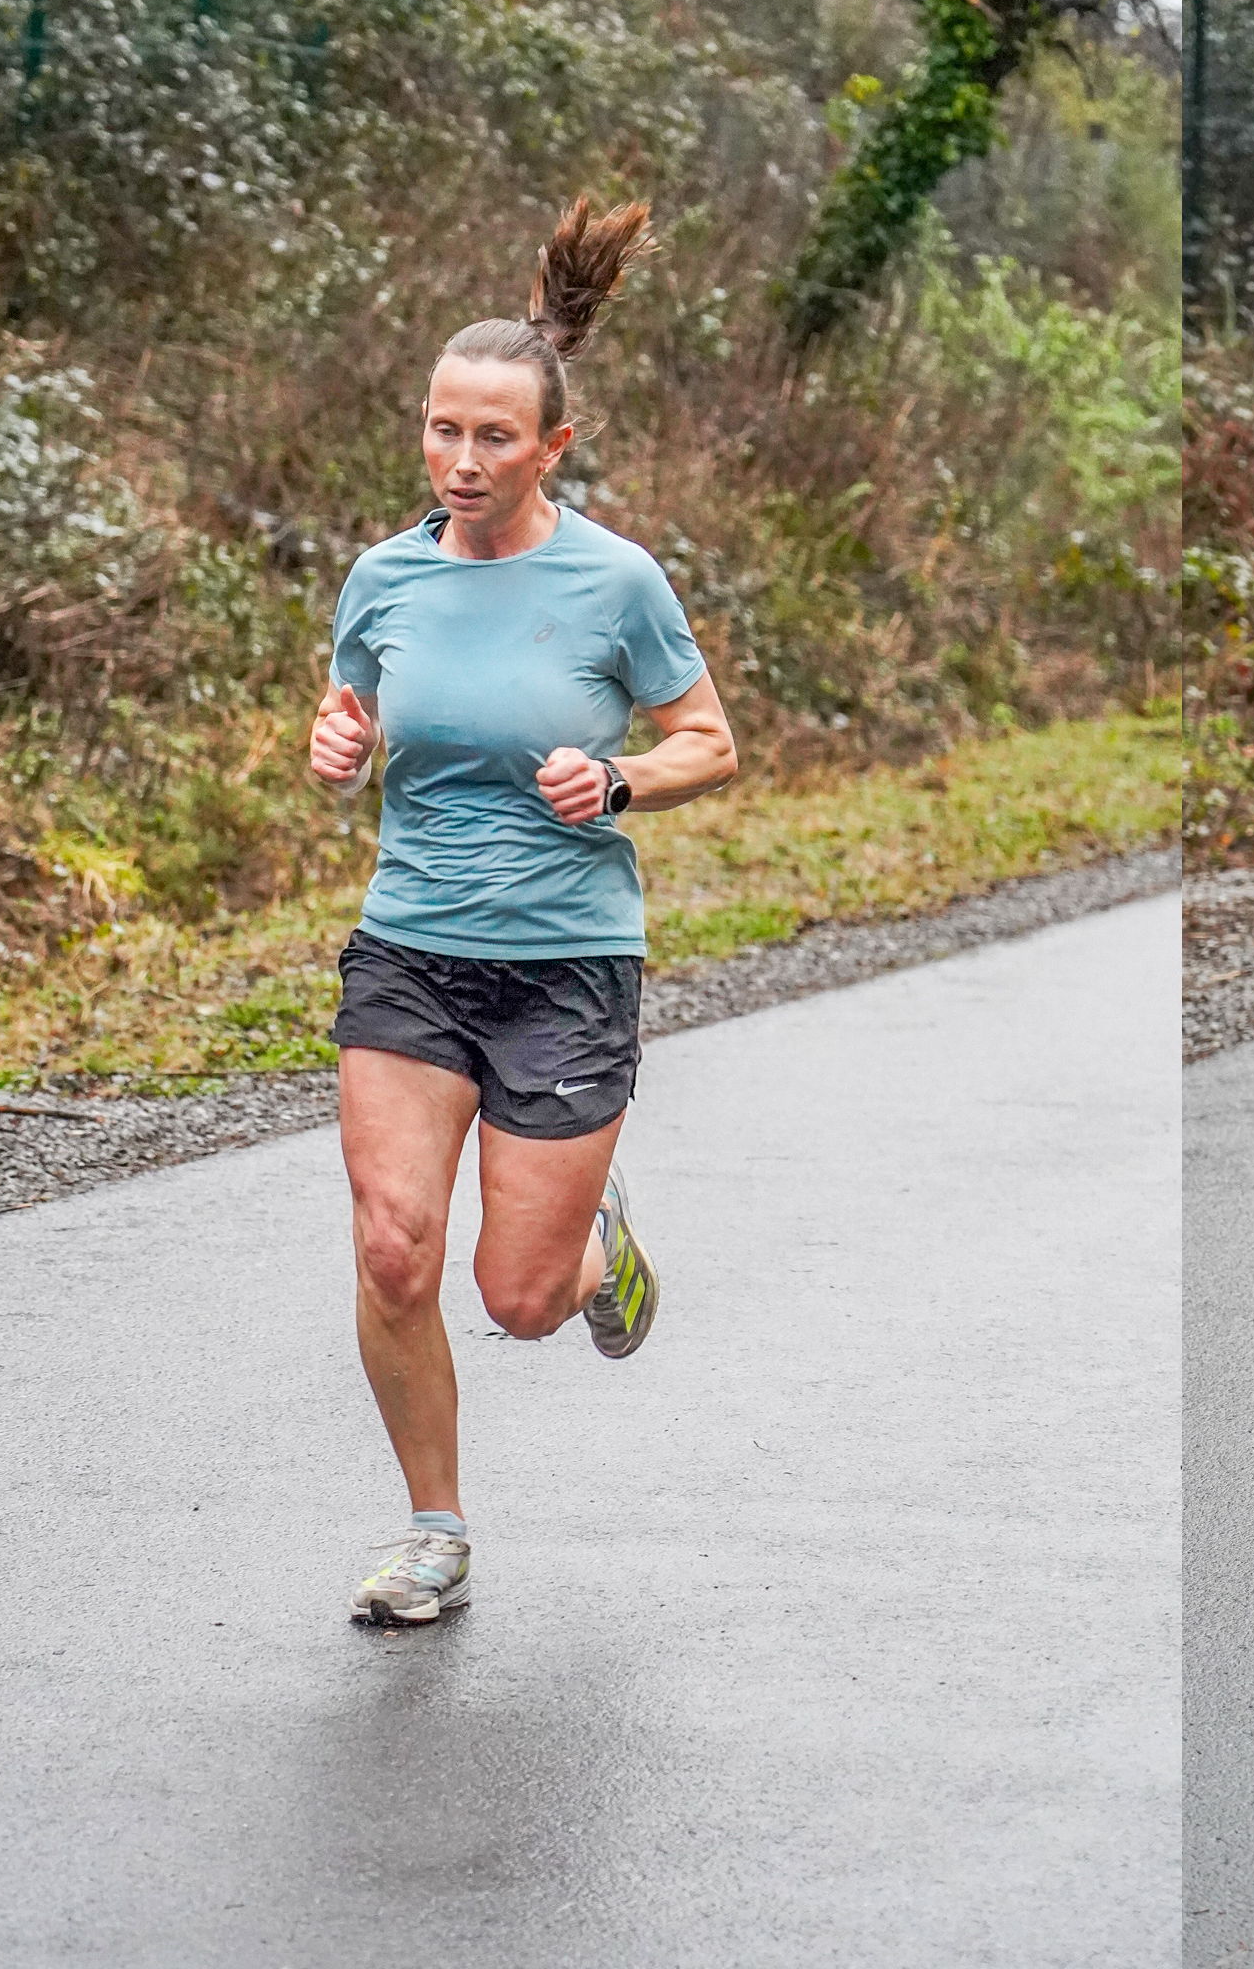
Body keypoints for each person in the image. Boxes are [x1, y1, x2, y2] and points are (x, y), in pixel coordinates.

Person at [302, 197, 737, 1626]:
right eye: (442, 431)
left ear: (552, 446)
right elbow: (355, 705)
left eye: (494, 437)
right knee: (387, 1246)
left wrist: (617, 779)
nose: (462, 460)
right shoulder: (384, 576)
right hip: (412, 946)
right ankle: (432, 1533)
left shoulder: (615, 581)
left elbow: (708, 744)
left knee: (519, 1301)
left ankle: (592, 1239)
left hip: (565, 968)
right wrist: (334, 741)